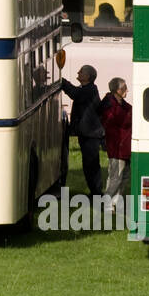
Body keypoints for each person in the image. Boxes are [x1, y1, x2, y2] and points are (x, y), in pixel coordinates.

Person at [59, 63, 105, 196]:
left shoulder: (89, 89)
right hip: (87, 134)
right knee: (88, 165)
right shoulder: (87, 89)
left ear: (88, 76)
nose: (78, 73)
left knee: (91, 165)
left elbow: (74, 93)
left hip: (91, 135)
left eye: (81, 72)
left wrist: (61, 81)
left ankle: (97, 193)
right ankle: (95, 192)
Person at [100, 77, 132, 218]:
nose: (127, 91)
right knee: (115, 177)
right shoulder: (109, 105)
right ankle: (107, 203)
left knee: (123, 177)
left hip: (124, 145)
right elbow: (120, 120)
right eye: (124, 88)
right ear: (117, 90)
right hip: (116, 145)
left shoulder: (122, 105)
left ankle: (114, 203)